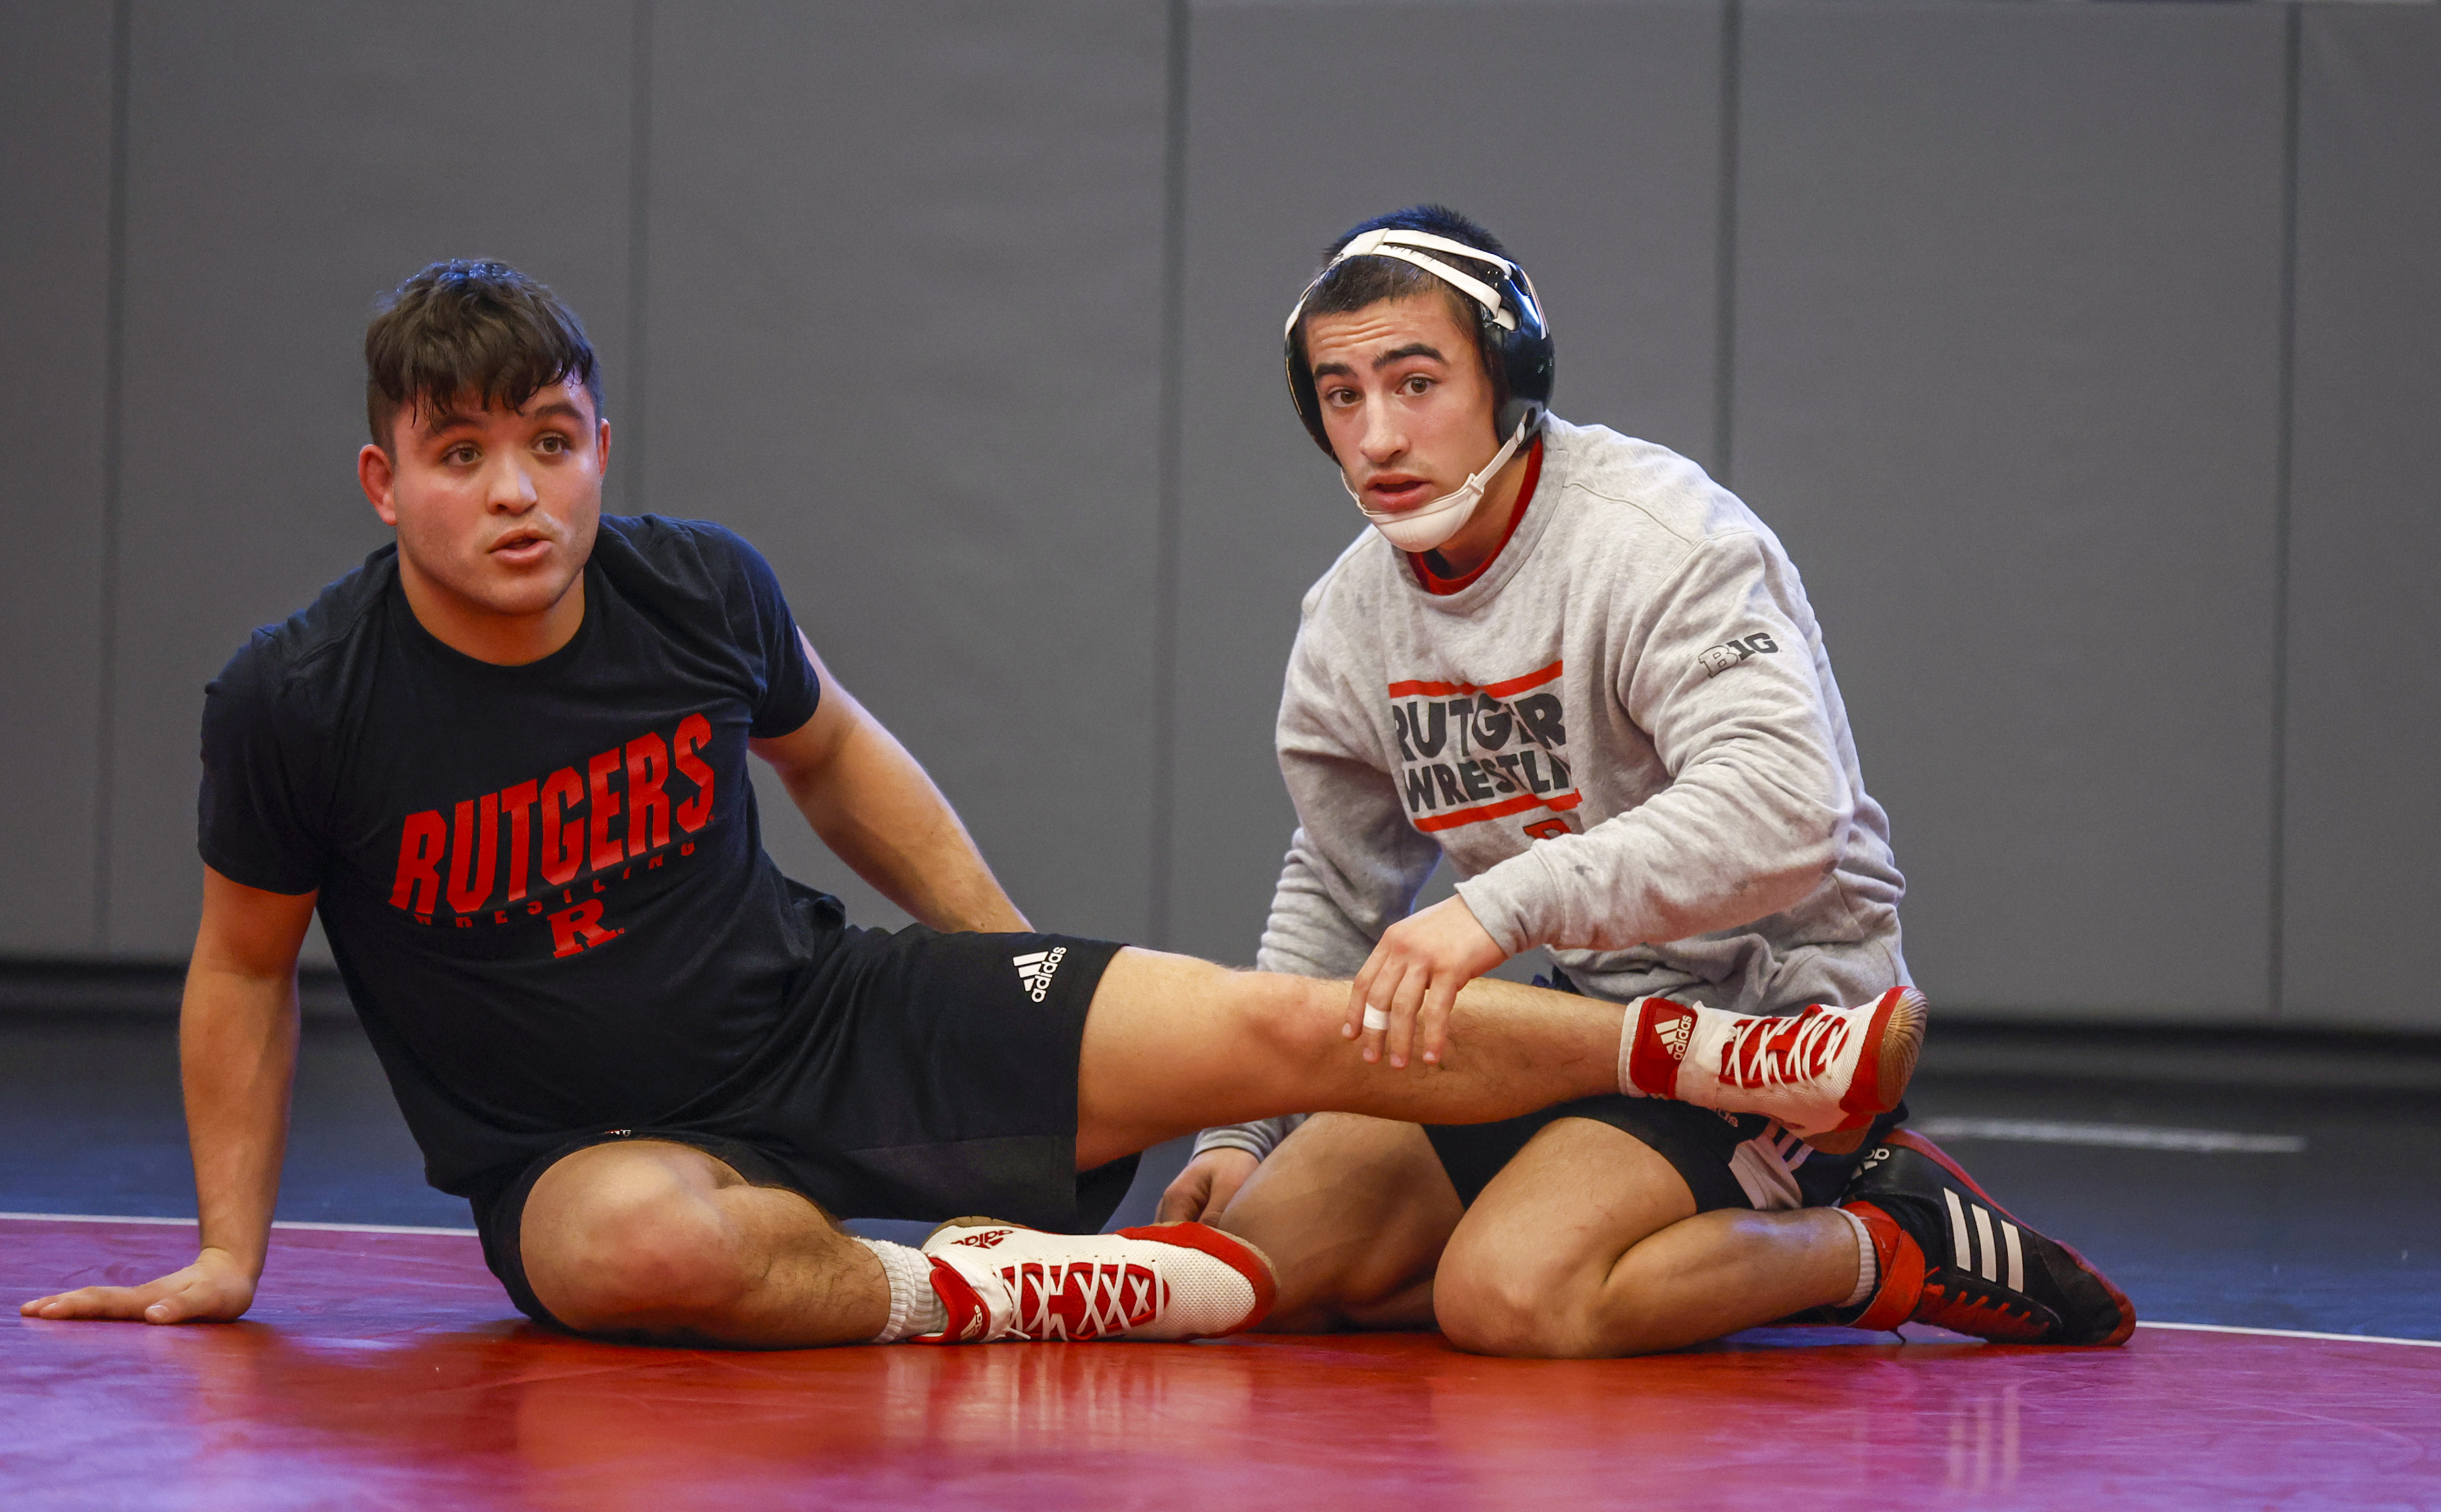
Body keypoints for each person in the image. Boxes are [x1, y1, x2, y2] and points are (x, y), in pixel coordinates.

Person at [21, 260, 1920, 1350]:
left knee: (1268, 1041)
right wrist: (226, 1250)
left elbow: (839, 757)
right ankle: (957, 1293)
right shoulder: (298, 696)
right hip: (580, 1142)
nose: (517, 493)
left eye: (552, 441)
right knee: (644, 1256)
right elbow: (239, 969)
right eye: (463, 458)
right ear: (386, 482)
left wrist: (1020, 966)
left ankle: (1717, 1065)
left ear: (600, 442)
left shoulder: (691, 584)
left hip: (833, 1019)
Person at [1158, 208, 2132, 1353]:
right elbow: (1335, 875)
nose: (1375, 435)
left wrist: (1495, 904)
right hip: (1580, 1021)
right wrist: (1242, 1133)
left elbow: (1783, 810)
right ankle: (1602, 1221)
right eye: (1340, 394)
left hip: (1776, 1014)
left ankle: (1891, 1233)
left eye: (1414, 382)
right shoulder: (1351, 615)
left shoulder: (1657, 537)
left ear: (1509, 375)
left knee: (1511, 1299)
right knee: (1258, 1271)